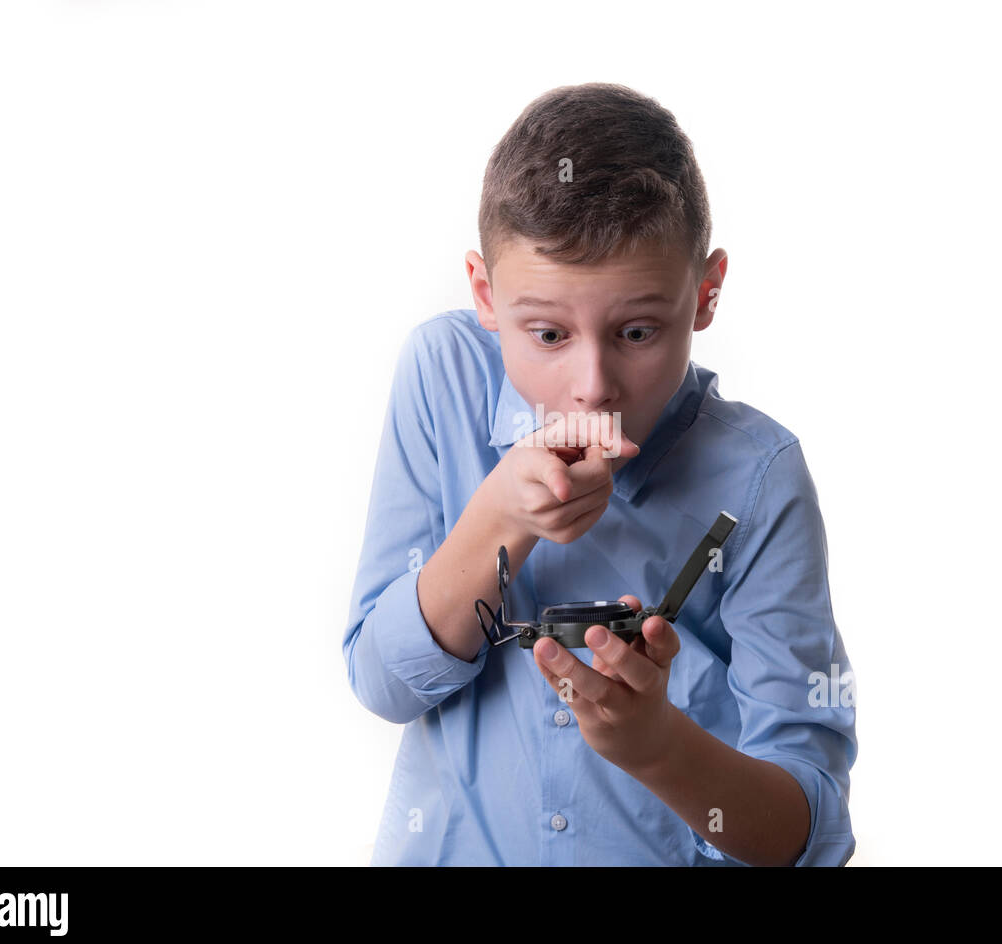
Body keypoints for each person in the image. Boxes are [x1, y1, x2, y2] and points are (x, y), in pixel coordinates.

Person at [343, 83, 857, 866]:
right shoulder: (442, 375)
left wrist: (658, 750)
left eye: (639, 331)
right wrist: (496, 519)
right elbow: (384, 686)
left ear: (706, 293)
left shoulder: (760, 478)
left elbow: (807, 837)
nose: (591, 385)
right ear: (484, 294)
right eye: (547, 332)